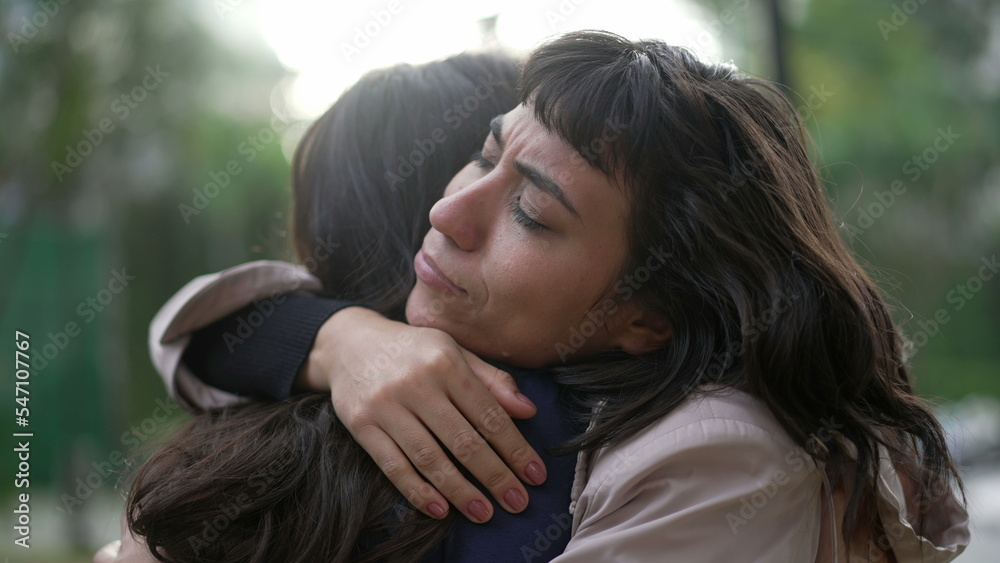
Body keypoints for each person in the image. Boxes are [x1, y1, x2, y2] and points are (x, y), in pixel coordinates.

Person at [130, 31, 970, 561]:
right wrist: (346, 341)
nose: (447, 210)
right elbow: (191, 333)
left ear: (650, 314)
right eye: (480, 155)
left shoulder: (716, 454)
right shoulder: (456, 362)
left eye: (530, 211)